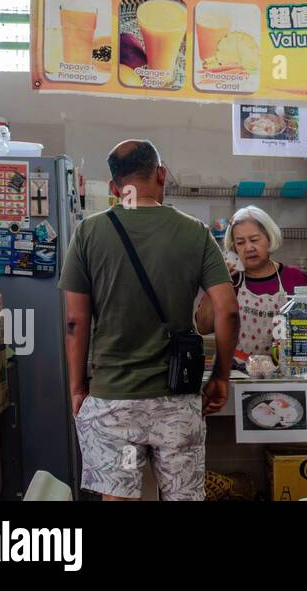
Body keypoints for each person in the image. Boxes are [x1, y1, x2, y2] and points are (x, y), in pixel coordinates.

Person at [61, 140, 239, 500]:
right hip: (175, 406)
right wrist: (220, 376)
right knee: (180, 496)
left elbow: (75, 323)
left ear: (115, 188)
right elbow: (229, 310)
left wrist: (79, 387)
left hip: (116, 408)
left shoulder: (88, 232)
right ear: (161, 174)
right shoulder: (195, 232)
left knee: (121, 496)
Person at [195, 205, 307, 362]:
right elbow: (203, 327)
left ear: (269, 238)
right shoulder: (231, 282)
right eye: (240, 242)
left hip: (285, 373)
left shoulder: (295, 279)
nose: (249, 248)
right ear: (234, 247)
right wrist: (217, 280)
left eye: (254, 240)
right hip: (236, 374)